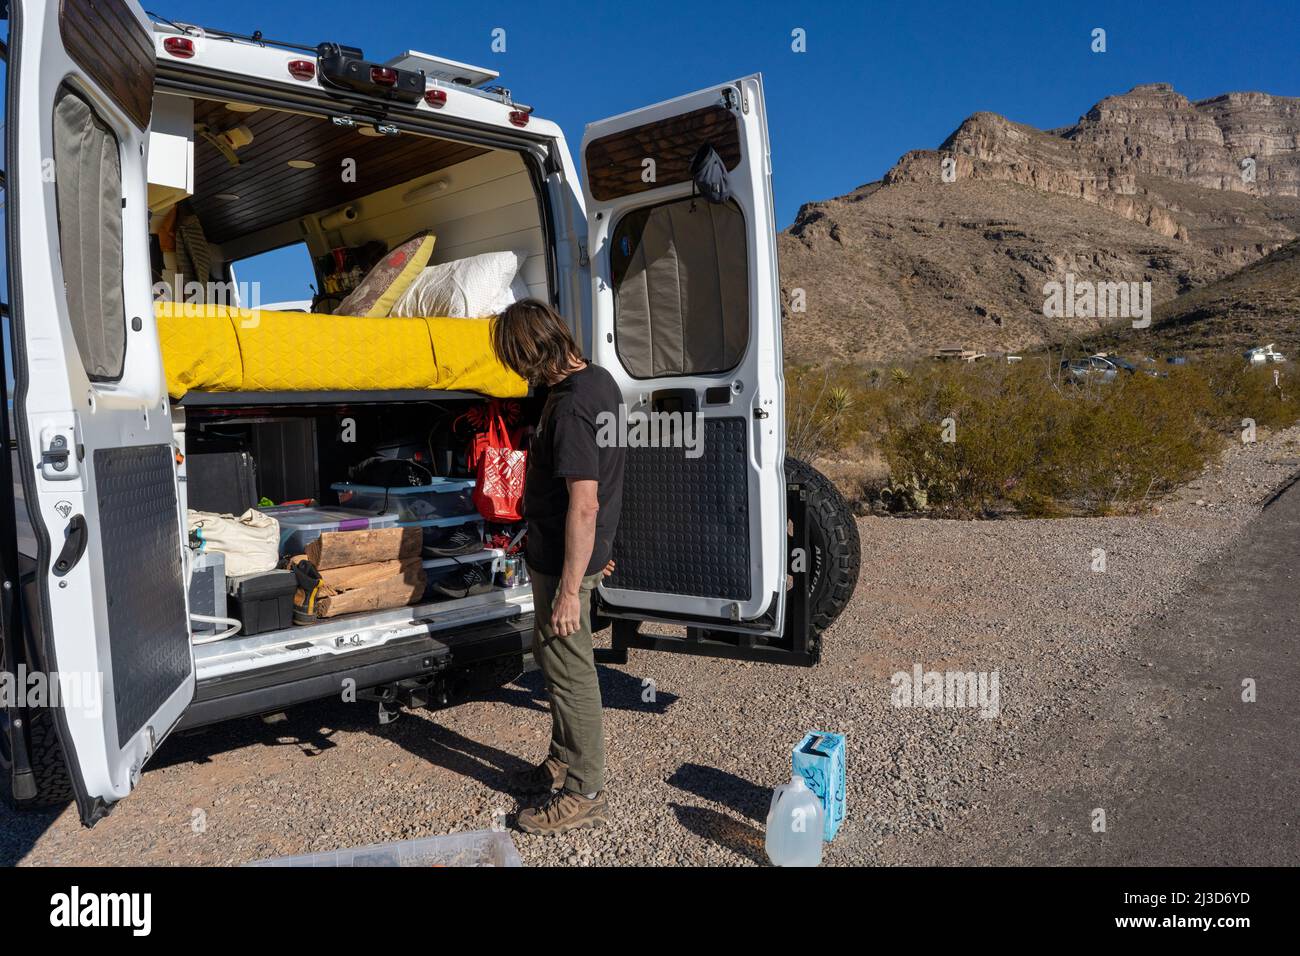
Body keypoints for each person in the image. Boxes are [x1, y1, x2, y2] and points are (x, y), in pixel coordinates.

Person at [490, 299, 627, 835]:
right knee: (552, 660)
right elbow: (613, 473)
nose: (519, 373)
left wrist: (572, 586)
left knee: (570, 673)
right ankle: (563, 758)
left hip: (563, 563)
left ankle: (585, 790)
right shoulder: (600, 381)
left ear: (533, 352)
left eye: (518, 360)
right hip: (569, 552)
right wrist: (601, 547)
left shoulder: (570, 408)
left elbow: (585, 502)